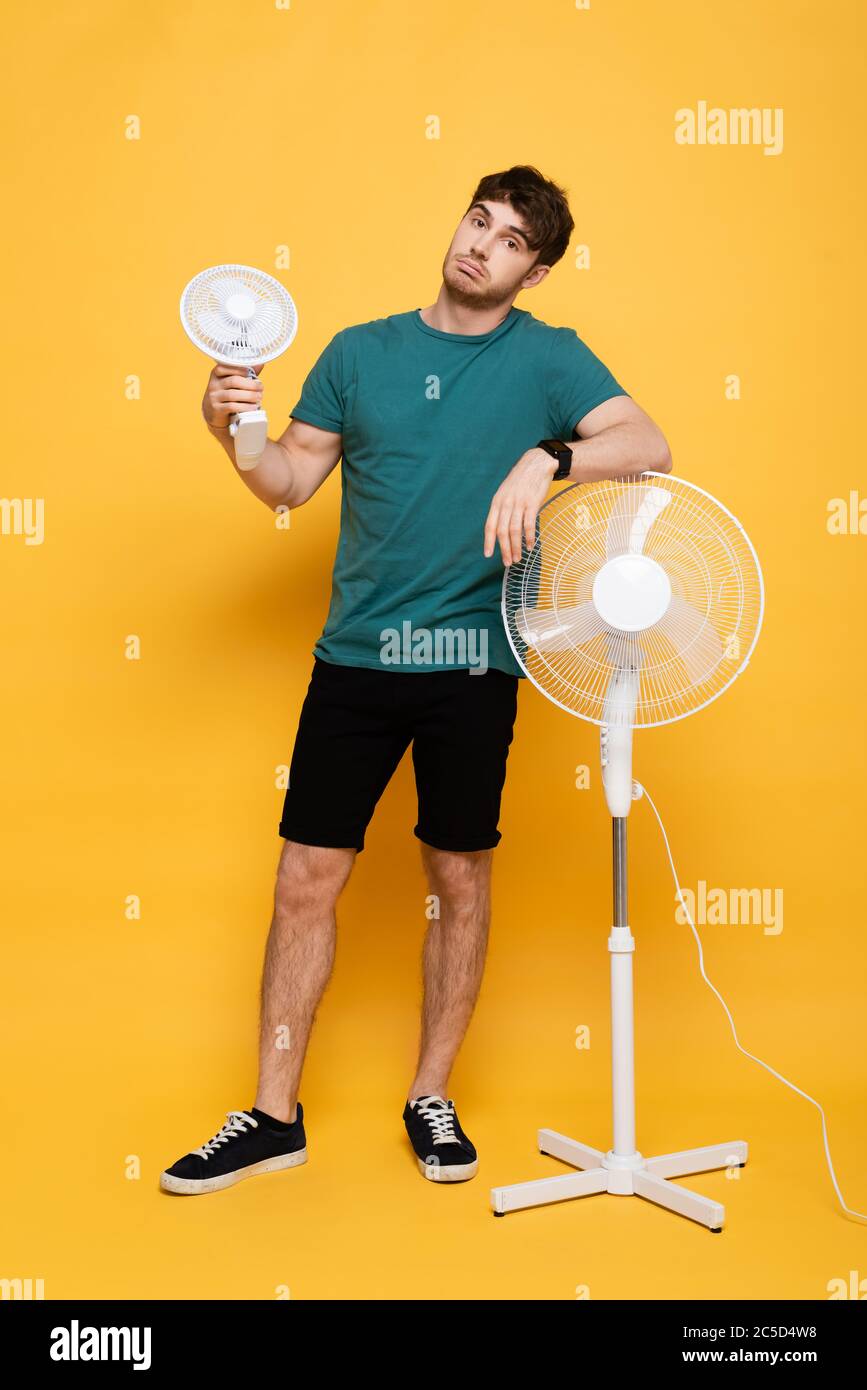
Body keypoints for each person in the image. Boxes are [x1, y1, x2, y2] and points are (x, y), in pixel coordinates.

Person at [161, 165, 671, 1196]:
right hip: (354, 662)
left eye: (512, 240)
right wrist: (236, 433)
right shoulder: (360, 352)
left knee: (459, 876)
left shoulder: (550, 361)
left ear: (533, 271)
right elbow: (289, 481)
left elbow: (650, 443)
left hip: (474, 666)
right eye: (478, 220)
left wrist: (547, 456)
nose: (482, 243)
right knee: (306, 878)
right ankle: (272, 1114)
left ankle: (428, 1094)